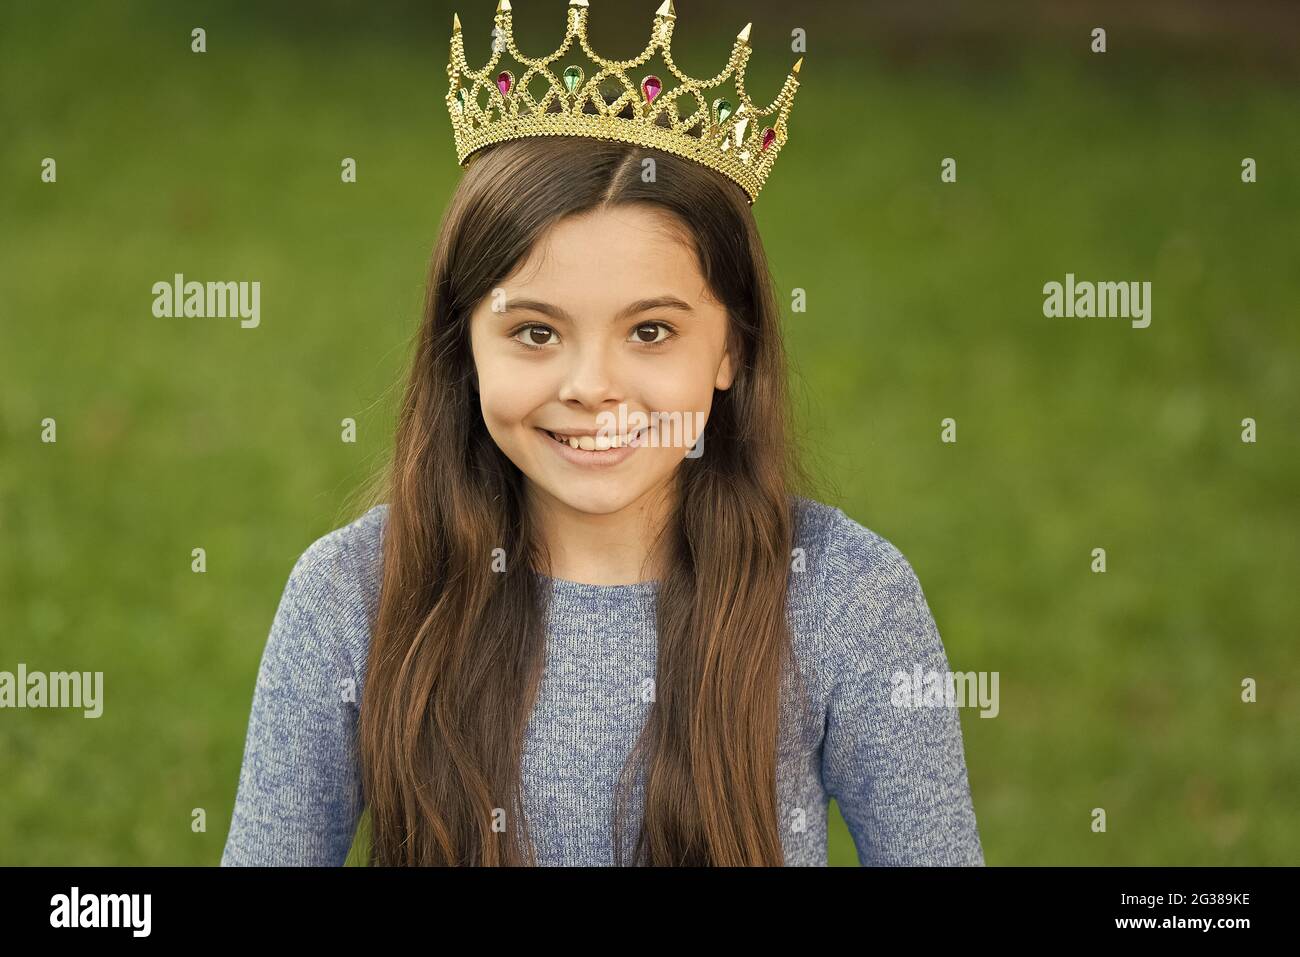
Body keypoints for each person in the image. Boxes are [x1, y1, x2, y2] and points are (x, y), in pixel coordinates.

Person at [221, 0, 983, 867]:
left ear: (731, 344)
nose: (592, 389)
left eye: (651, 331)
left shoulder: (845, 599)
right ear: (464, 346)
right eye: (535, 332)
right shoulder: (351, 597)